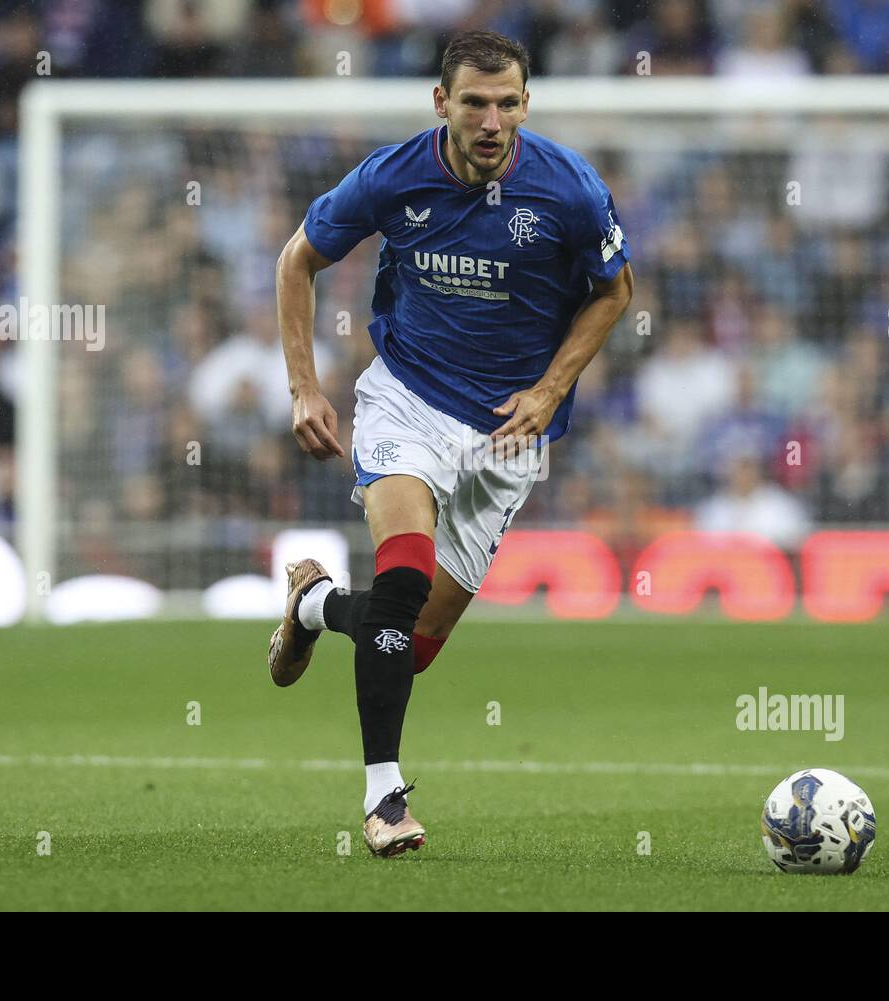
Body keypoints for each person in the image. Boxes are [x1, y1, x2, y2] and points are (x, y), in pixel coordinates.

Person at [269, 30, 633, 857]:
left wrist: (549, 389)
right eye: (474, 102)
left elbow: (616, 292)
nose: (491, 120)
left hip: (507, 434)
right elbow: (298, 261)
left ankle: (315, 604)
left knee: (410, 647)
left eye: (507, 103)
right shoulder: (393, 177)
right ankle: (384, 796)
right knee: (399, 579)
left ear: (526, 106)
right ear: (443, 103)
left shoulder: (569, 190)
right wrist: (304, 386)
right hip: (408, 400)